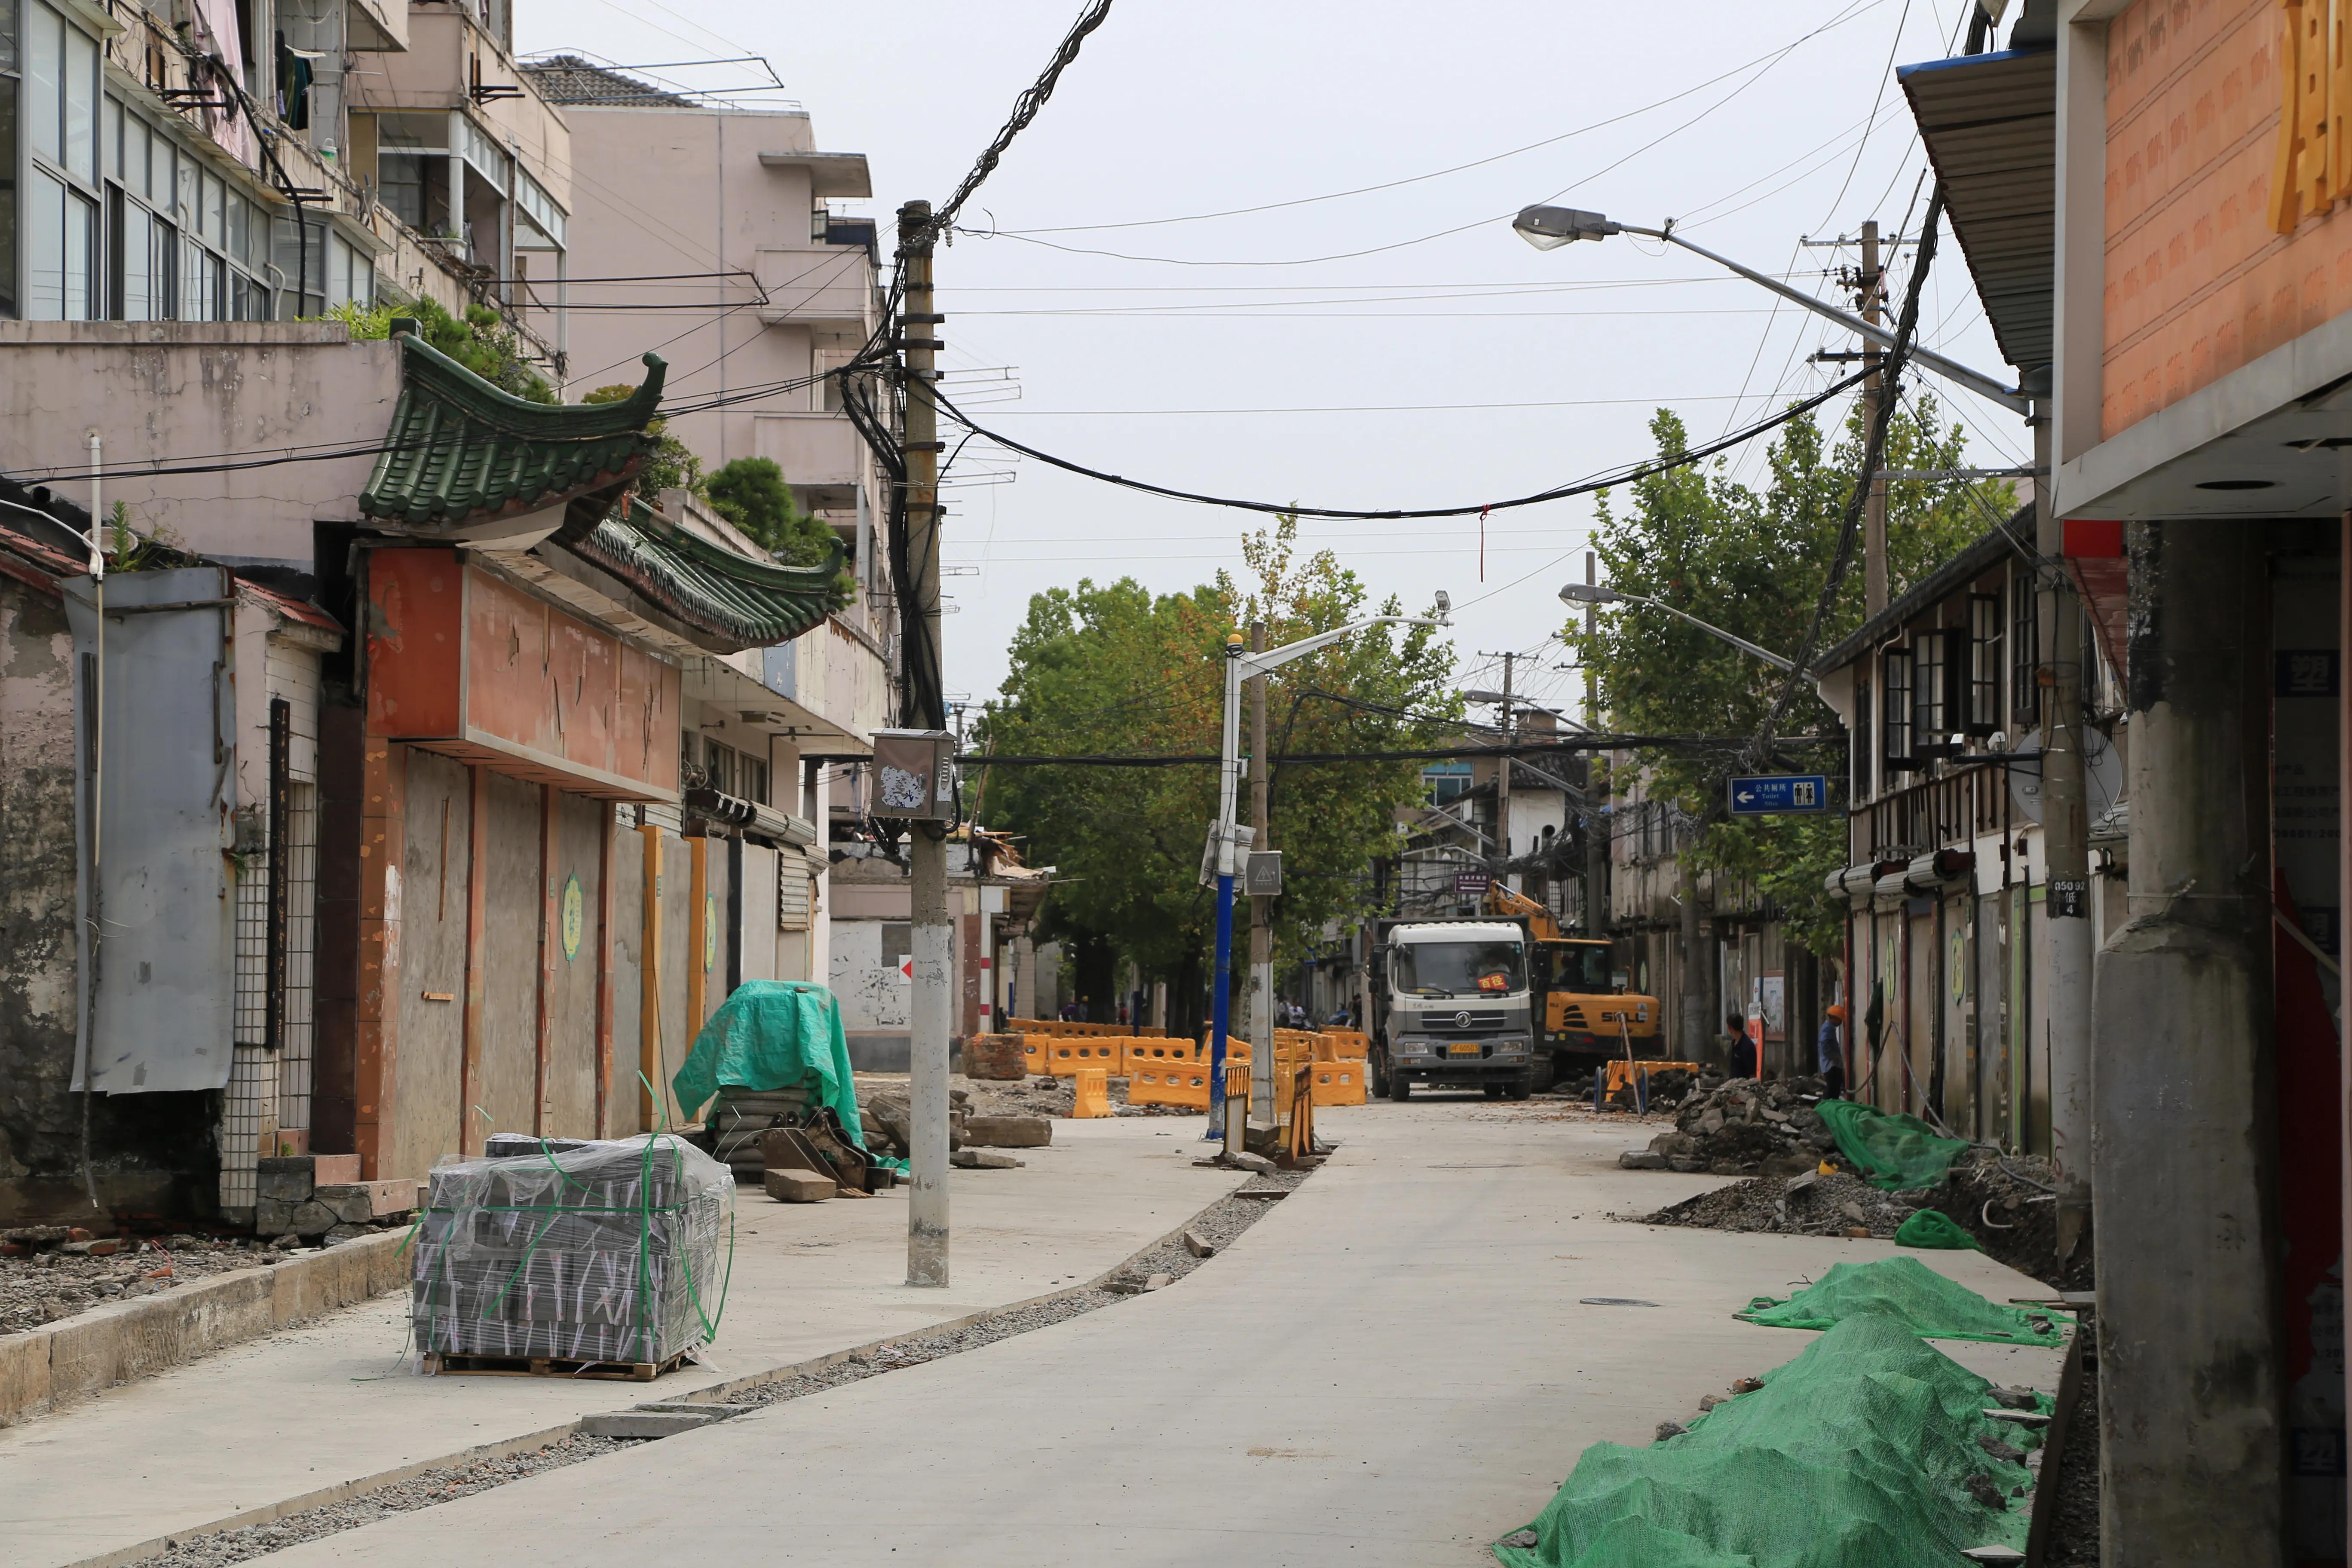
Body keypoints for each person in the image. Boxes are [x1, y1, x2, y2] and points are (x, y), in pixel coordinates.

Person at [1818, 1005, 1848, 1099]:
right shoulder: (1828, 1029)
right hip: (1831, 1065)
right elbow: (1824, 1044)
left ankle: (1829, 1106)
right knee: (1832, 1089)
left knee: (1835, 1089)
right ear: (1834, 1018)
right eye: (1840, 1020)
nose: (1841, 1022)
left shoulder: (1829, 1028)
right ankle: (1827, 1107)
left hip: (1832, 1064)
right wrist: (1832, 1057)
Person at [1725, 1012, 1759, 1079]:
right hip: (1733, 1085)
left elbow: (1752, 1075)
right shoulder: (1734, 1043)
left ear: (1729, 1027)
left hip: (1743, 1087)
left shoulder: (1748, 1046)